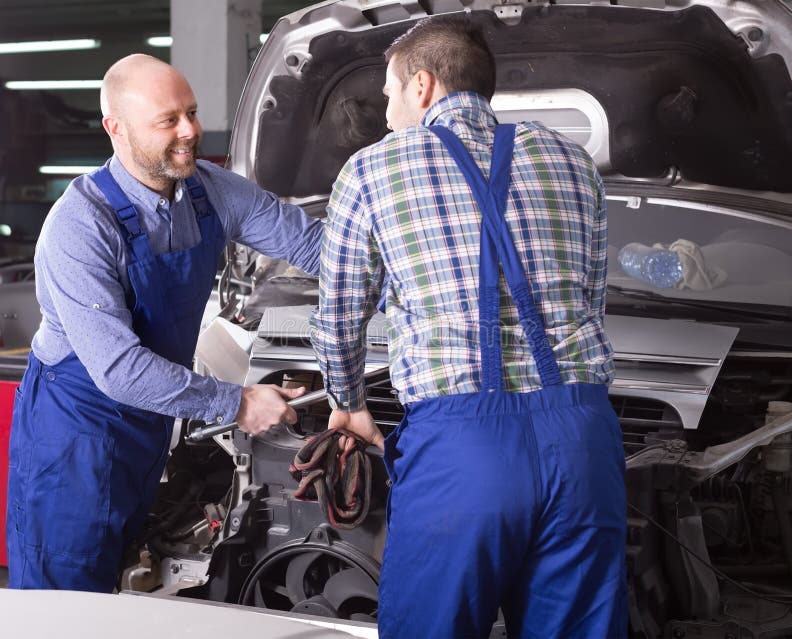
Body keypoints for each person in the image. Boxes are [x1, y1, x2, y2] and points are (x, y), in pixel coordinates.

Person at [310, 16, 628, 639]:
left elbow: (340, 319)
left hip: (462, 454)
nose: (387, 110)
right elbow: (591, 299)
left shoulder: (371, 170)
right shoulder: (573, 161)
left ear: (422, 85)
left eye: (389, 95)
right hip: (584, 446)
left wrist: (347, 404)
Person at [6, 54, 322, 592]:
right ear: (117, 129)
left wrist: (413, 286)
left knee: (128, 588)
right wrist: (238, 402)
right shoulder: (80, 224)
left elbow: (312, 244)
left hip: (148, 426)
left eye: (192, 113)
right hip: (76, 437)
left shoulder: (211, 190)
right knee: (65, 602)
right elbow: (120, 369)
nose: (190, 131)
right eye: (168, 121)